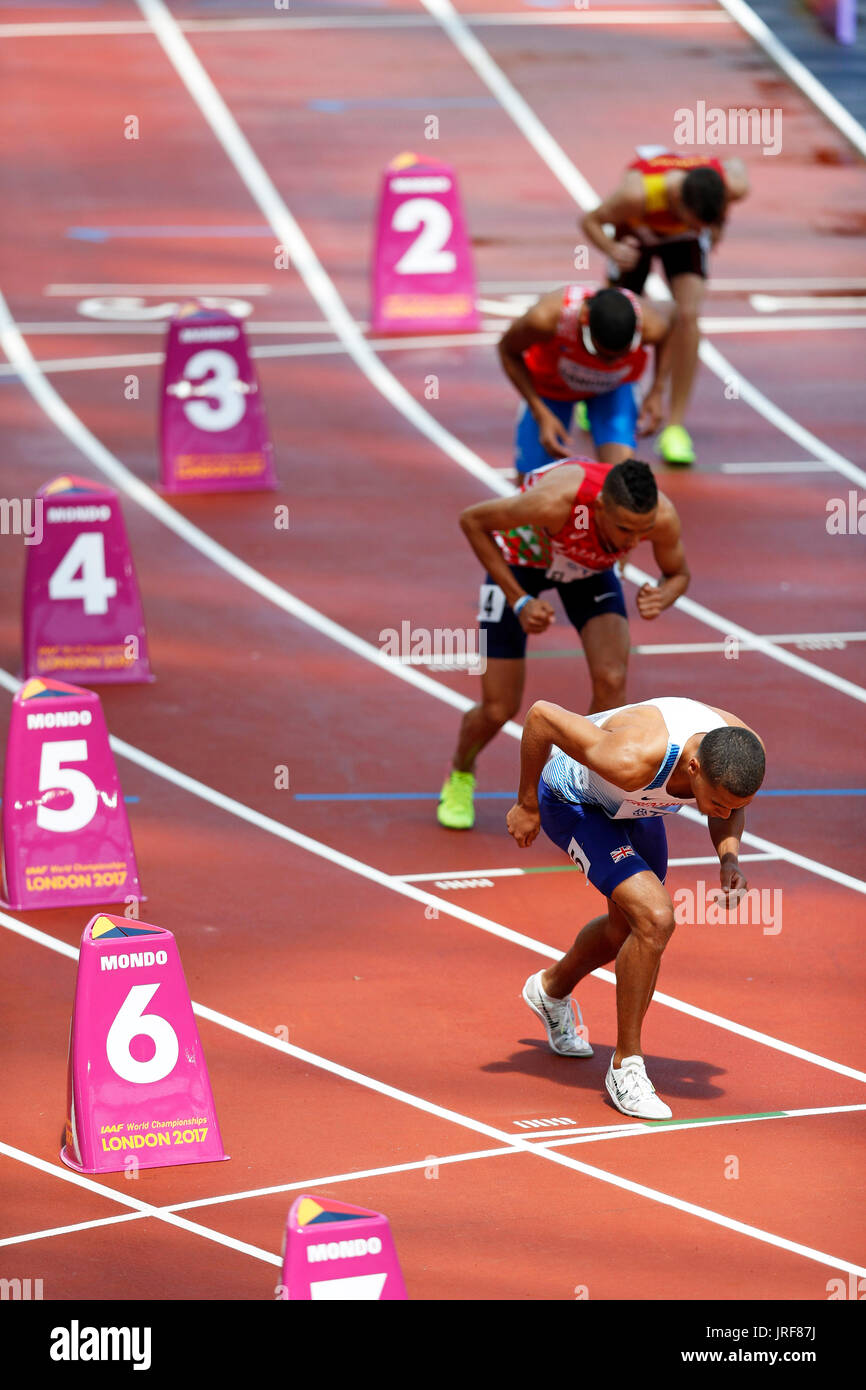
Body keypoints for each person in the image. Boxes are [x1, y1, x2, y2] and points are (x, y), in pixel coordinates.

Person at [506, 696, 765, 1118]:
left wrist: (729, 858)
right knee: (655, 918)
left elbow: (729, 807)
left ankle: (549, 990)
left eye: (738, 805)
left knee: (625, 932)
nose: (726, 812)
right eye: (717, 803)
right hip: (574, 801)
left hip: (637, 805)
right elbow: (540, 717)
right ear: (694, 768)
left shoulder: (739, 747)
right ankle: (626, 1065)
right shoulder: (632, 756)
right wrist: (527, 804)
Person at [436, 458, 690, 830]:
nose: (634, 542)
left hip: (588, 573)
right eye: (624, 530)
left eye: (643, 531)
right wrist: (519, 600)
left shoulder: (661, 514)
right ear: (599, 506)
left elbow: (678, 573)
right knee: (498, 707)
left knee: (611, 679)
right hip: (521, 563)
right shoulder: (553, 502)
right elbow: (471, 520)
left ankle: (584, 792)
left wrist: (664, 595)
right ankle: (461, 770)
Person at [581, 149, 749, 467]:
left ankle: (674, 427)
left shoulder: (731, 187)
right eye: (695, 223)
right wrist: (613, 249)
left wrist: (717, 228)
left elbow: (737, 165)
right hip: (637, 233)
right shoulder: (635, 194)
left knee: (688, 315)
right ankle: (593, 385)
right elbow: (589, 221)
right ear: (679, 204)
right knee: (614, 313)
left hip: (681, 242)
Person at [498, 283, 676, 476]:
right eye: (601, 354)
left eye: (620, 356)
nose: (608, 364)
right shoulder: (546, 319)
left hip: (612, 390)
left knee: (620, 479)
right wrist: (539, 410)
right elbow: (507, 350)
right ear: (584, 322)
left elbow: (673, 316)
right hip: (551, 389)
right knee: (532, 482)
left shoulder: (652, 324)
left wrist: (657, 391)